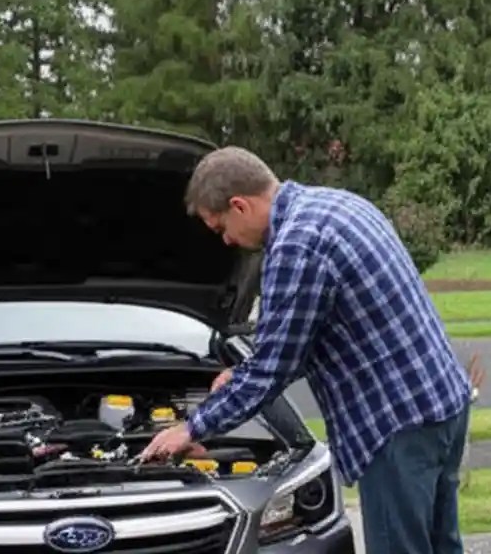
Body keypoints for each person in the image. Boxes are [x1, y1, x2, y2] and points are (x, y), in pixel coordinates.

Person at [140, 146, 473, 554]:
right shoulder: (337, 204)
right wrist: (243, 372)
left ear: (239, 205)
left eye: (220, 228)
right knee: (443, 547)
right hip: (442, 405)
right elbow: (310, 331)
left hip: (397, 426)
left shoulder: (296, 247)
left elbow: (272, 369)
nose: (226, 241)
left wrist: (190, 429)